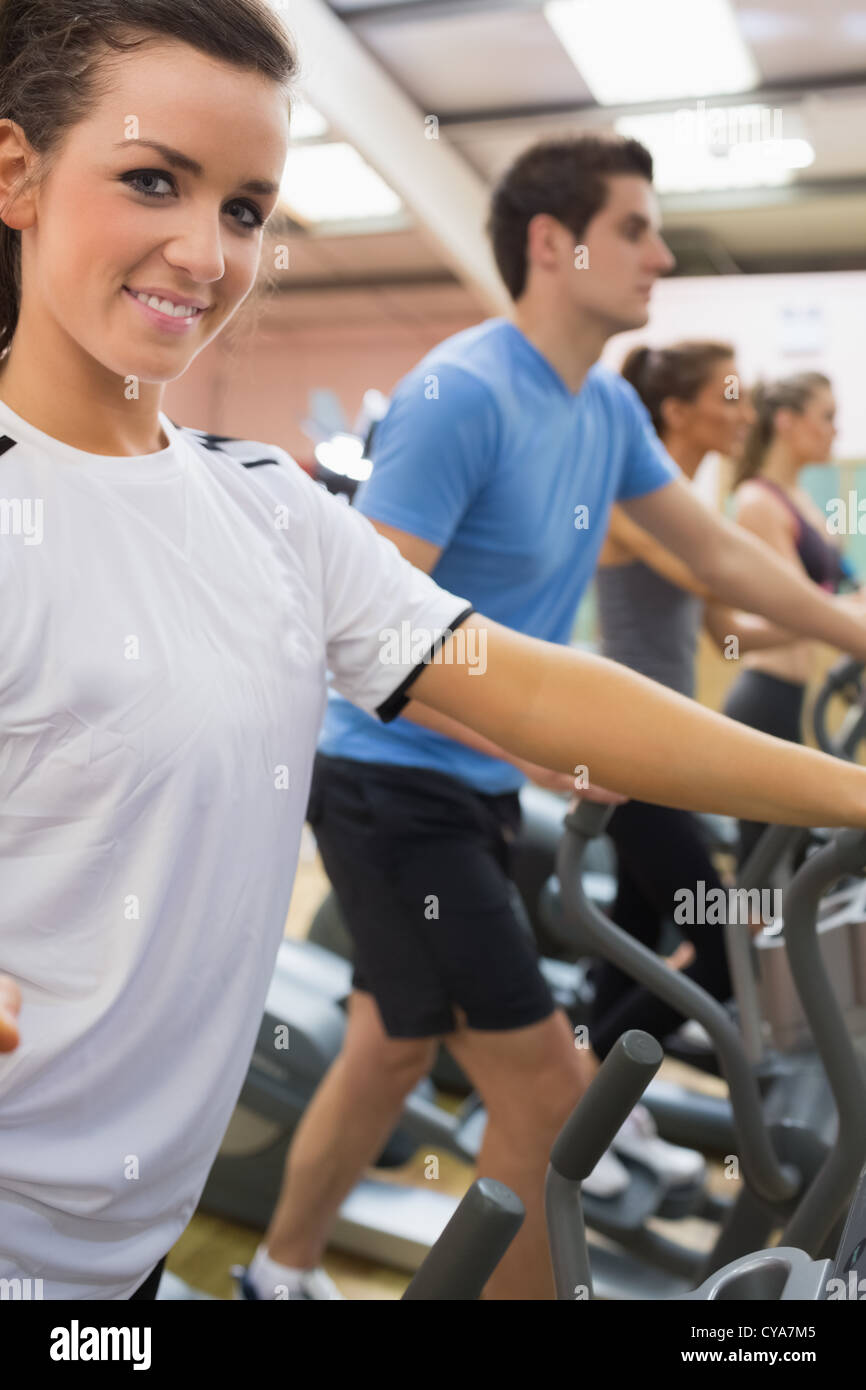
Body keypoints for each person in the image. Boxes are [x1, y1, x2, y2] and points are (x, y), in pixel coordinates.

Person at [2, 1, 865, 1305]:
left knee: (389, 1049)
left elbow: (525, 682)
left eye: (244, 208)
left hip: (121, 1241)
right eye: (148, 182)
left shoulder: (264, 505)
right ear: (16, 174)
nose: (203, 248)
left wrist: (849, 791)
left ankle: (275, 1265)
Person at [245, 130, 866, 1301]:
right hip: (390, 785)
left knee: (387, 1049)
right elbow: (366, 637)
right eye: (635, 227)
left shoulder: (604, 414)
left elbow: (727, 567)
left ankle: (277, 1273)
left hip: (463, 790)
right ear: (550, 240)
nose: (662, 253)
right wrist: (539, 748)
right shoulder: (459, 394)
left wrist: (856, 632)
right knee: (543, 1095)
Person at [591, 341, 804, 1061]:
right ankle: (581, 1088)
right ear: (678, 412)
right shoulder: (632, 500)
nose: (747, 416)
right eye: (731, 397)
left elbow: (731, 632)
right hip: (621, 744)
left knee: (631, 935)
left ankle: (611, 1115)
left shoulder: (685, 510)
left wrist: (834, 620)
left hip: (663, 750)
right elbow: (718, 572)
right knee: (722, 947)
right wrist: (829, 611)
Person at [722, 372, 856, 867]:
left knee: (799, 857)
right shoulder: (758, 502)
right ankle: (730, 946)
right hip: (764, 698)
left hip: (794, 695)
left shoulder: (799, 498)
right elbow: (798, 604)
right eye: (826, 418)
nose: (835, 431)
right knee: (762, 864)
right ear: (786, 421)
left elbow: (844, 590)